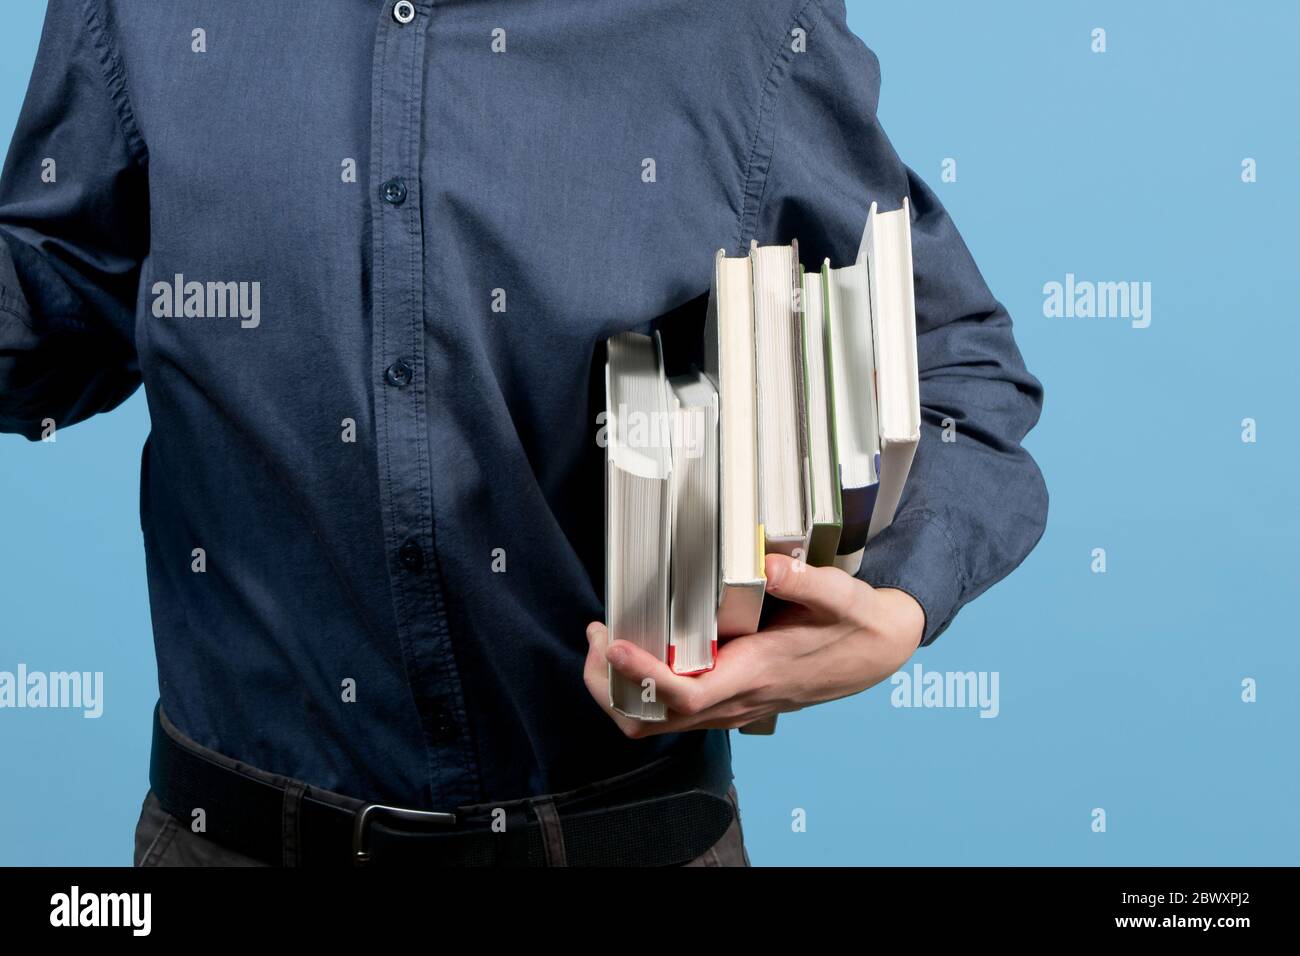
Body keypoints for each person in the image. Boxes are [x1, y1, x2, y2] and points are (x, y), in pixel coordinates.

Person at [0, 0, 1047, 867]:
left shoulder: (738, 22)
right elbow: (53, 314)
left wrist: (896, 608)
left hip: (625, 840)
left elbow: (950, 364)